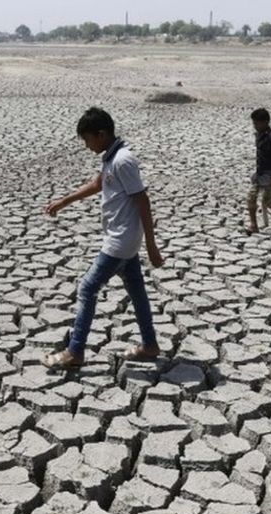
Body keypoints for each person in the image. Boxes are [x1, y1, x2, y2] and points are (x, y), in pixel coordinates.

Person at [42, 107, 164, 369]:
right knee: (137, 293)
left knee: (87, 288)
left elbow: (143, 201)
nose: (87, 146)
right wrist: (63, 201)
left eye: (88, 140)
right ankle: (150, 344)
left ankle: (75, 351)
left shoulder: (123, 160)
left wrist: (152, 247)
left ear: (102, 134)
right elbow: (98, 184)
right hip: (123, 240)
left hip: (120, 242)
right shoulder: (111, 158)